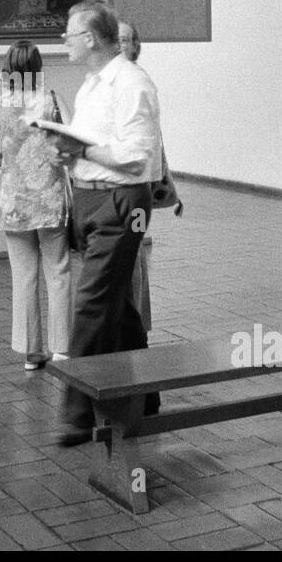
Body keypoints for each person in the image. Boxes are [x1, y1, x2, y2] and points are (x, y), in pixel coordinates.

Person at [47, 1, 161, 445]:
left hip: (122, 204)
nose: (64, 41)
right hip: (92, 200)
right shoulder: (91, 86)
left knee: (91, 304)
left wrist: (80, 152)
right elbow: (94, 145)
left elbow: (135, 158)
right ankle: (145, 395)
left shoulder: (132, 84)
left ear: (91, 38)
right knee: (118, 305)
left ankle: (77, 414)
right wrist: (67, 148)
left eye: (69, 34)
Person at [0, 41, 73, 370]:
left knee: (24, 278)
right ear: (38, 67)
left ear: (7, 69)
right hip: (50, 200)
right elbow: (71, 144)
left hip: (14, 205)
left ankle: (32, 355)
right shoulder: (52, 100)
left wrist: (14, 154)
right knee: (58, 273)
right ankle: (62, 348)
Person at [118, 20, 155, 332]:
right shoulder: (113, 82)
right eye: (115, 39)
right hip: (124, 186)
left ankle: (136, 326)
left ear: (134, 46)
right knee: (131, 252)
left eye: (126, 40)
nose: (120, 45)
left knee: (133, 250)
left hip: (136, 185)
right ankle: (133, 323)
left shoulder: (137, 82)